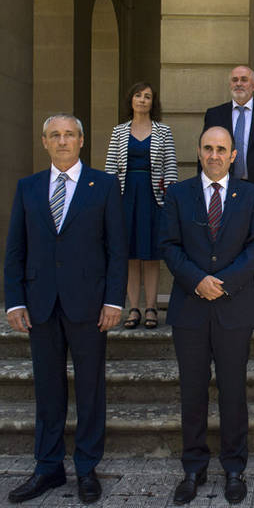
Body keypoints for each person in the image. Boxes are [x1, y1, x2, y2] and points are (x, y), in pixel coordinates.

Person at [3, 114, 127, 505]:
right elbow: (15, 250)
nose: (62, 141)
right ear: (44, 142)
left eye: (69, 135)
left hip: (90, 306)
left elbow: (116, 249)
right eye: (54, 135)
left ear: (81, 141)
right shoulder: (28, 188)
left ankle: (87, 467)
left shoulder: (104, 185)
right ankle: (48, 467)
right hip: (40, 306)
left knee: (90, 390)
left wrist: (114, 300)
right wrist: (15, 301)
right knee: (47, 390)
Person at [159, 126, 254, 505]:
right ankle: (193, 467)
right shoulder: (178, 194)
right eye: (208, 148)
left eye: (222, 149)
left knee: (233, 391)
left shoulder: (251, 195)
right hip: (189, 309)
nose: (215, 155)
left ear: (233, 155)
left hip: (234, 308)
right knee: (192, 392)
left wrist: (222, 284)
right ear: (199, 151)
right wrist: (197, 281)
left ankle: (234, 467)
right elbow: (169, 245)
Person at [203, 65, 254, 321]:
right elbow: (204, 156)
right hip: (222, 191)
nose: (239, 84)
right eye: (235, 80)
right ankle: (225, 301)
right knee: (223, 248)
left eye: (244, 80)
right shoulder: (215, 114)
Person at [104, 82, 177, 329]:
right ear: (131, 100)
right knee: (130, 255)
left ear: (152, 102)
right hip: (125, 198)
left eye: (147, 96)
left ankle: (151, 308)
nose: (142, 100)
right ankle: (133, 308)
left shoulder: (163, 131)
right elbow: (110, 169)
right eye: (138, 95)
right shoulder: (119, 131)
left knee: (151, 256)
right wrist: (110, 201)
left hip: (153, 198)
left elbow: (170, 169)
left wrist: (169, 201)